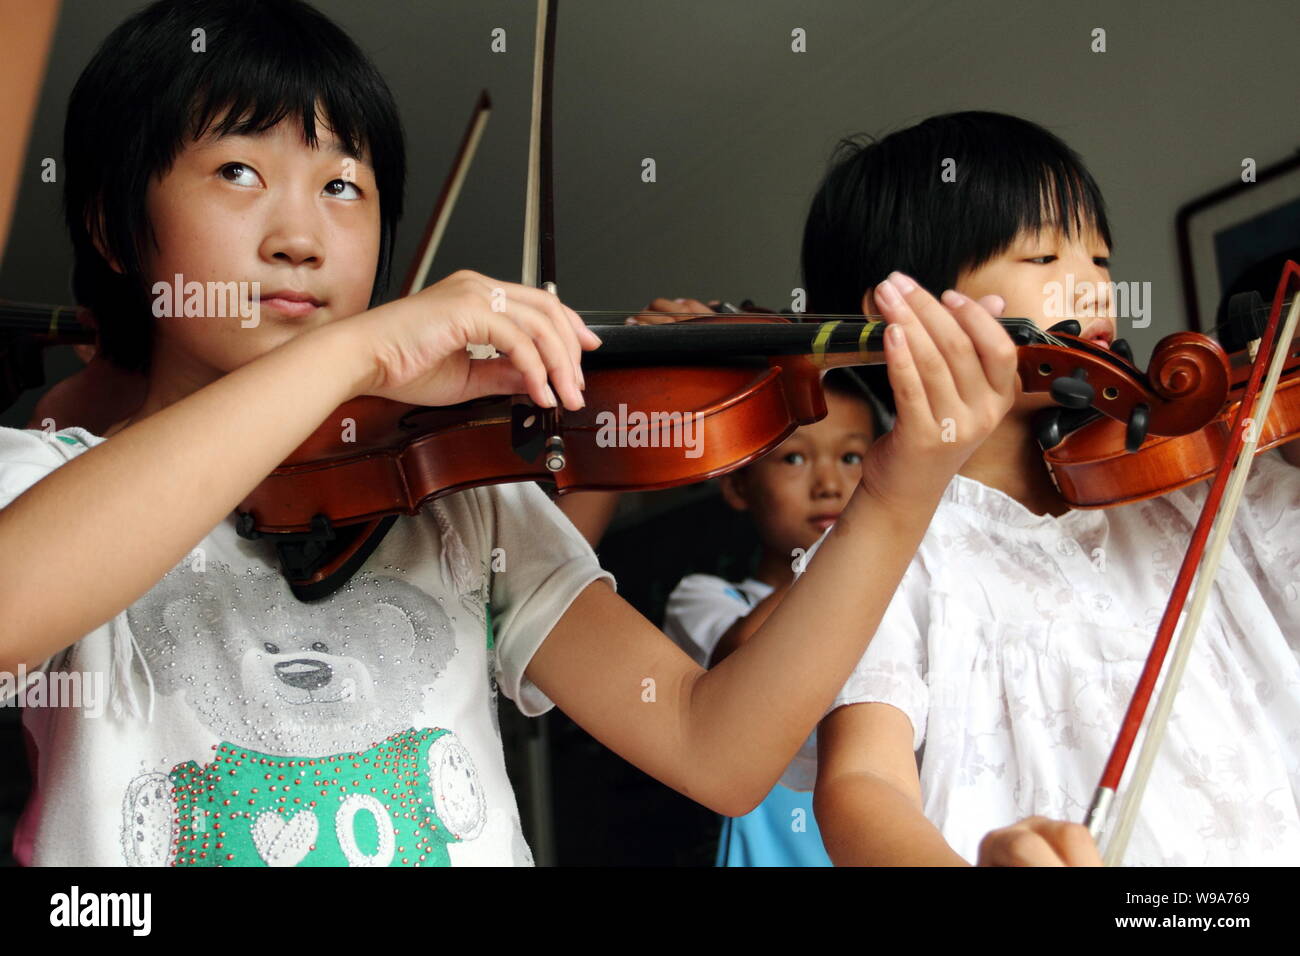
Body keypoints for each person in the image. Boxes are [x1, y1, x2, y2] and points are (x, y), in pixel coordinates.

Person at [0, 0, 1017, 866]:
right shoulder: (46, 477)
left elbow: (719, 746)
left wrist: (899, 492)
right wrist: (354, 351)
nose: (300, 235)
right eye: (236, 171)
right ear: (109, 225)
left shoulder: (457, 501)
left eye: (343, 184)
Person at [798, 110, 1300, 866]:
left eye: (1101, 257)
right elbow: (863, 786)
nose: (1096, 285)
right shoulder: (889, 561)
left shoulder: (1193, 487)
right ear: (903, 314)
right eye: (1044, 255)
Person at [665, 368, 883, 866]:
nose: (829, 484)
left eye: (852, 457)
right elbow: (741, 666)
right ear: (738, 483)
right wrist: (863, 532)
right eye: (794, 457)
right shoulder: (708, 599)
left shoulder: (898, 607)